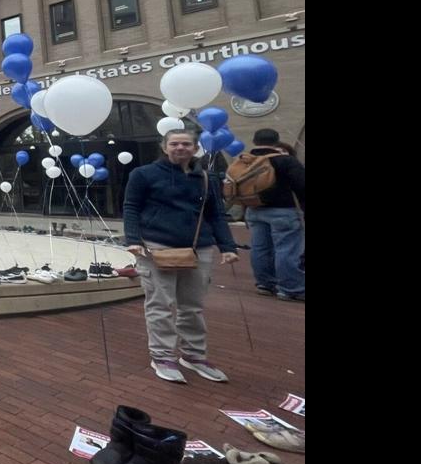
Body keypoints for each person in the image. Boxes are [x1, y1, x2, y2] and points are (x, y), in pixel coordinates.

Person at [121, 128, 240, 384]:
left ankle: (194, 356)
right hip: (156, 247)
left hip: (199, 248)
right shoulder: (143, 174)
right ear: (164, 147)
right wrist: (132, 240)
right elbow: (131, 207)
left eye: (186, 144)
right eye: (174, 144)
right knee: (160, 305)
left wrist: (228, 246)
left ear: (196, 148)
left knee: (192, 307)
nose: (180, 148)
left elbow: (216, 215)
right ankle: (162, 356)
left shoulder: (206, 178)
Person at [244, 128, 306, 302]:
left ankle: (264, 283)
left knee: (259, 248)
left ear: (255, 141)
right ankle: (291, 288)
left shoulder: (245, 160)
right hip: (283, 210)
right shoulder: (285, 161)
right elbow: (302, 185)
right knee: (287, 249)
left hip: (254, 209)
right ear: (276, 141)